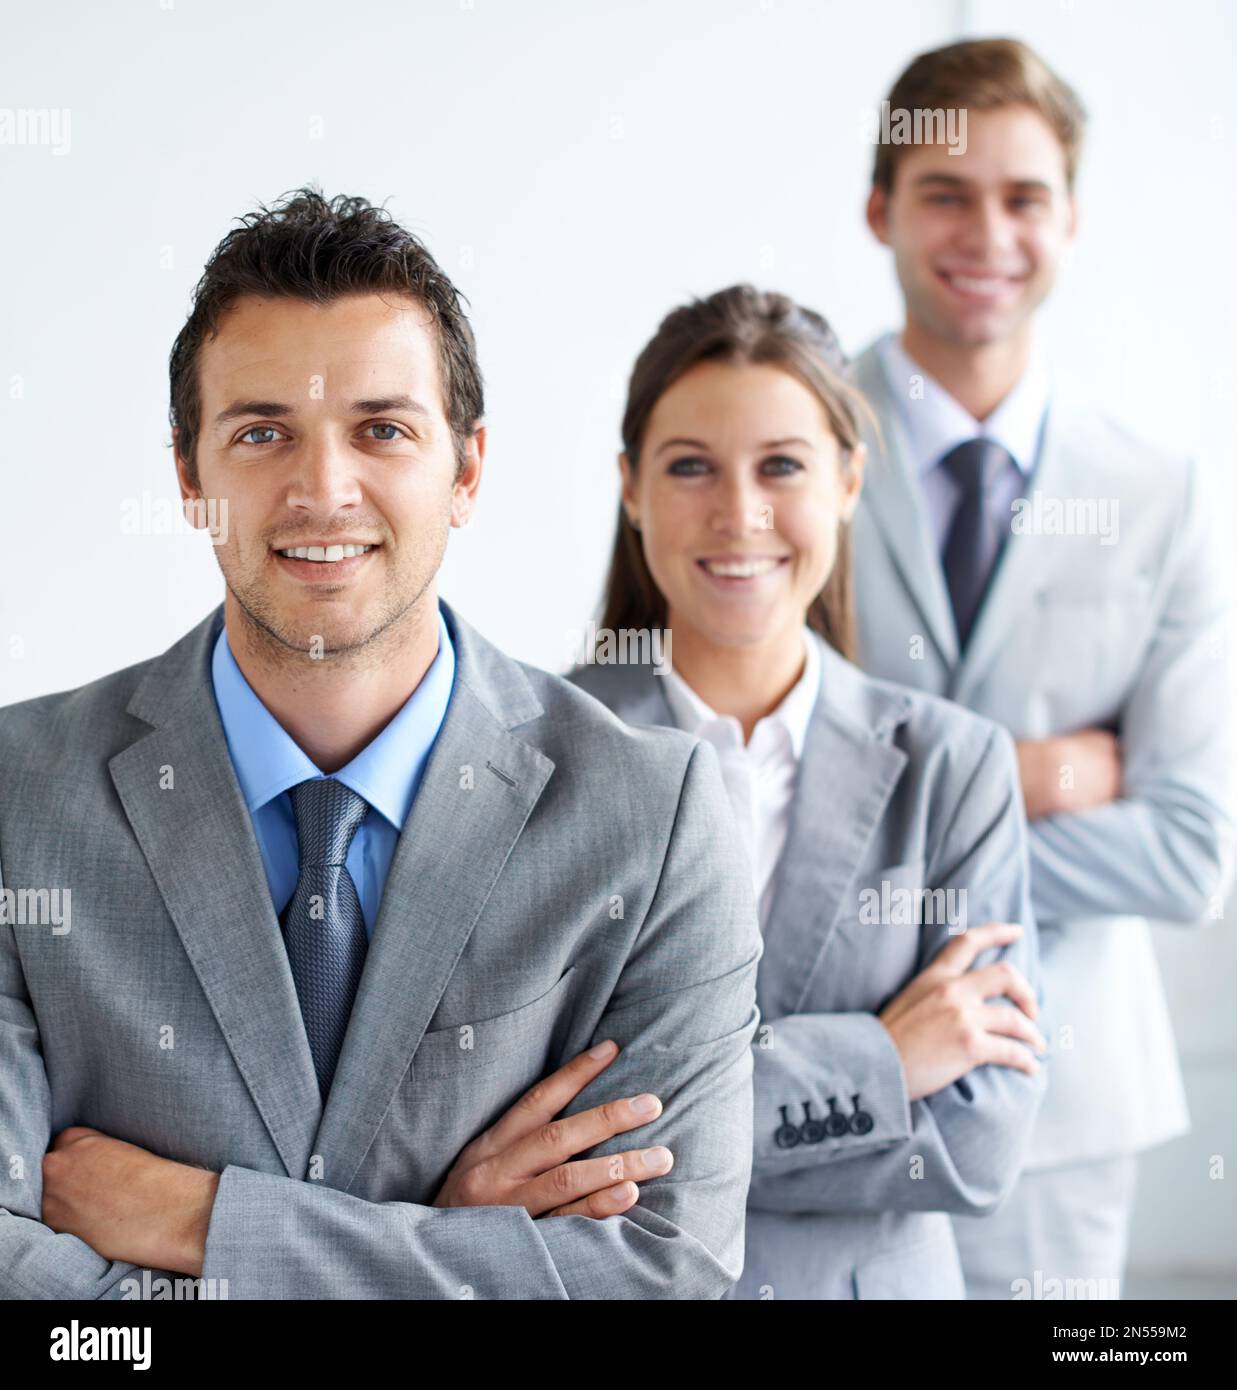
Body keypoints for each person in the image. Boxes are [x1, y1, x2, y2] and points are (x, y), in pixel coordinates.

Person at [0, 189, 763, 1300]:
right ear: (188, 477)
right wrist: (449, 1243)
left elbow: (661, 1277)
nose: (322, 490)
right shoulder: (20, 795)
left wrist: (214, 1226)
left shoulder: (652, 820)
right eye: (261, 432)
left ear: (466, 469)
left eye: (382, 429)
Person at [570, 283, 1047, 1299]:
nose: (738, 514)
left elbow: (976, 1143)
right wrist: (881, 1058)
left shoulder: (952, 767)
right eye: (689, 466)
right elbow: (517, 1121)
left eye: (781, 465)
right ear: (630, 487)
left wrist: (662, 1134)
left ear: (848, 478)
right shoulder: (540, 751)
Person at [852, 38, 1234, 1298]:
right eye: (946, 193)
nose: (987, 232)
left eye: (1023, 197)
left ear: (1069, 221)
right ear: (880, 209)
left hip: (1063, 1097)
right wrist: (1031, 777)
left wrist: (902, 839)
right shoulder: (779, 447)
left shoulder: (1155, 492)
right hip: (828, 1062)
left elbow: (1184, 850)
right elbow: (735, 776)